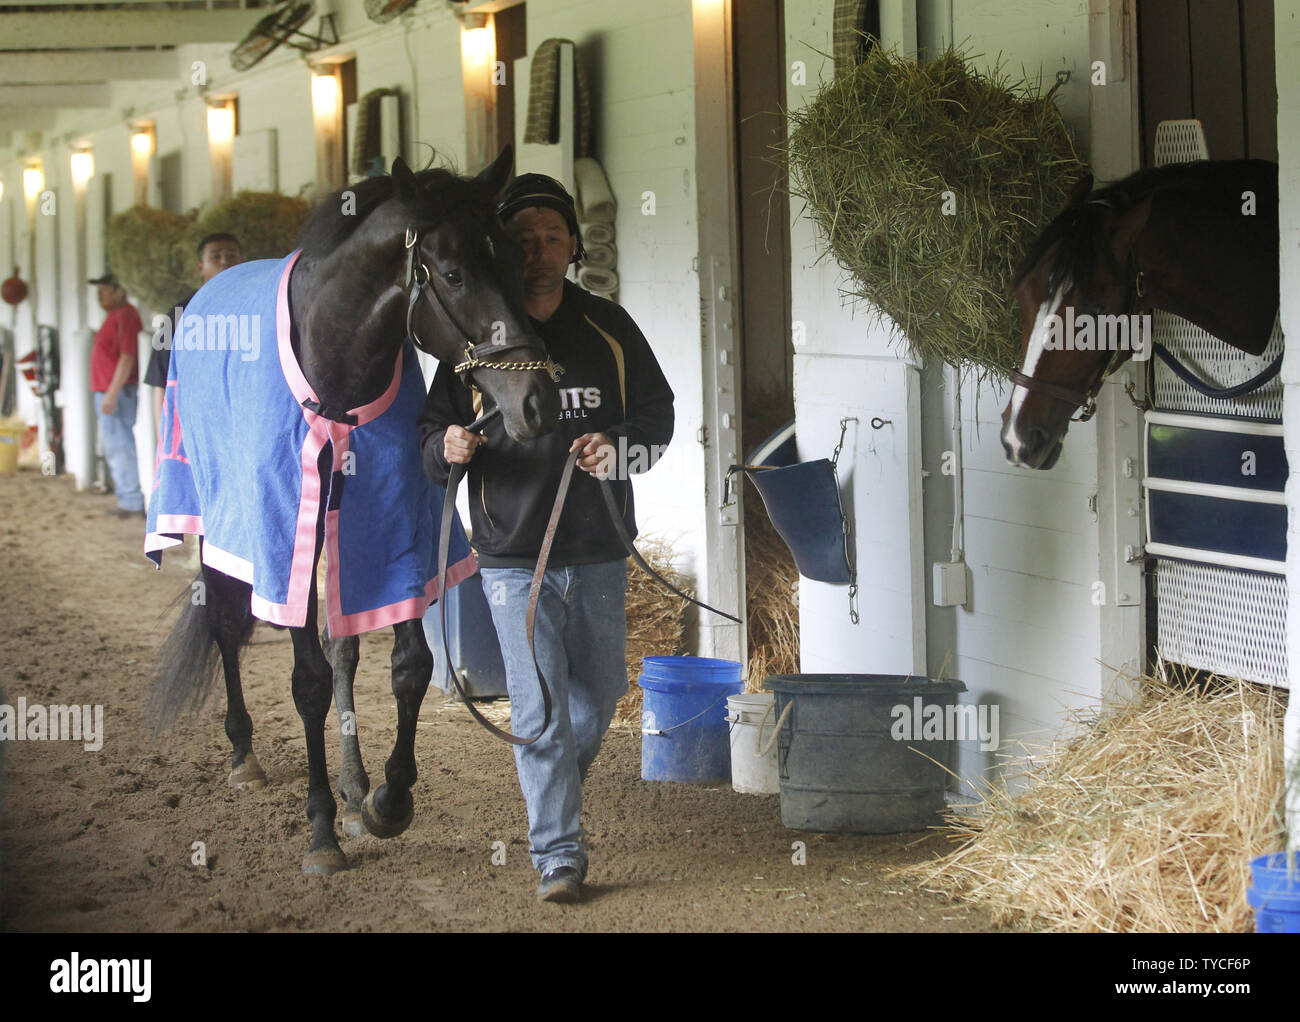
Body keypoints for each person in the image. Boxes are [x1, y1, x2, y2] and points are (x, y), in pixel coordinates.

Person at [418, 174, 674, 903]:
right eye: (523, 239)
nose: (537, 251)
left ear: (572, 246)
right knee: (538, 712)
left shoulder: (609, 330)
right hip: (510, 556)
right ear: (504, 248)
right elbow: (429, 440)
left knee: (597, 699)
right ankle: (558, 855)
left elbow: (657, 419)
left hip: (599, 546)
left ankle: (553, 784)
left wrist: (617, 447)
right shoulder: (474, 338)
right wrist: (452, 450)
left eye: (552, 237)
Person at [144, 232, 243, 425]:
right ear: (201, 267)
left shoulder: (261, 308)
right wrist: (163, 442)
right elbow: (161, 382)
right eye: (215, 256)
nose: (224, 261)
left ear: (243, 261)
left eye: (231, 255)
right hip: (197, 425)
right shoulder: (179, 314)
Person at [88, 272, 145, 518]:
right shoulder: (116, 316)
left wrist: (112, 393)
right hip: (111, 390)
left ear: (119, 291)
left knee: (121, 445)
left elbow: (128, 356)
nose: (99, 296)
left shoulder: (125, 316)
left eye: (104, 290)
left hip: (117, 392)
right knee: (116, 445)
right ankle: (128, 496)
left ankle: (131, 500)